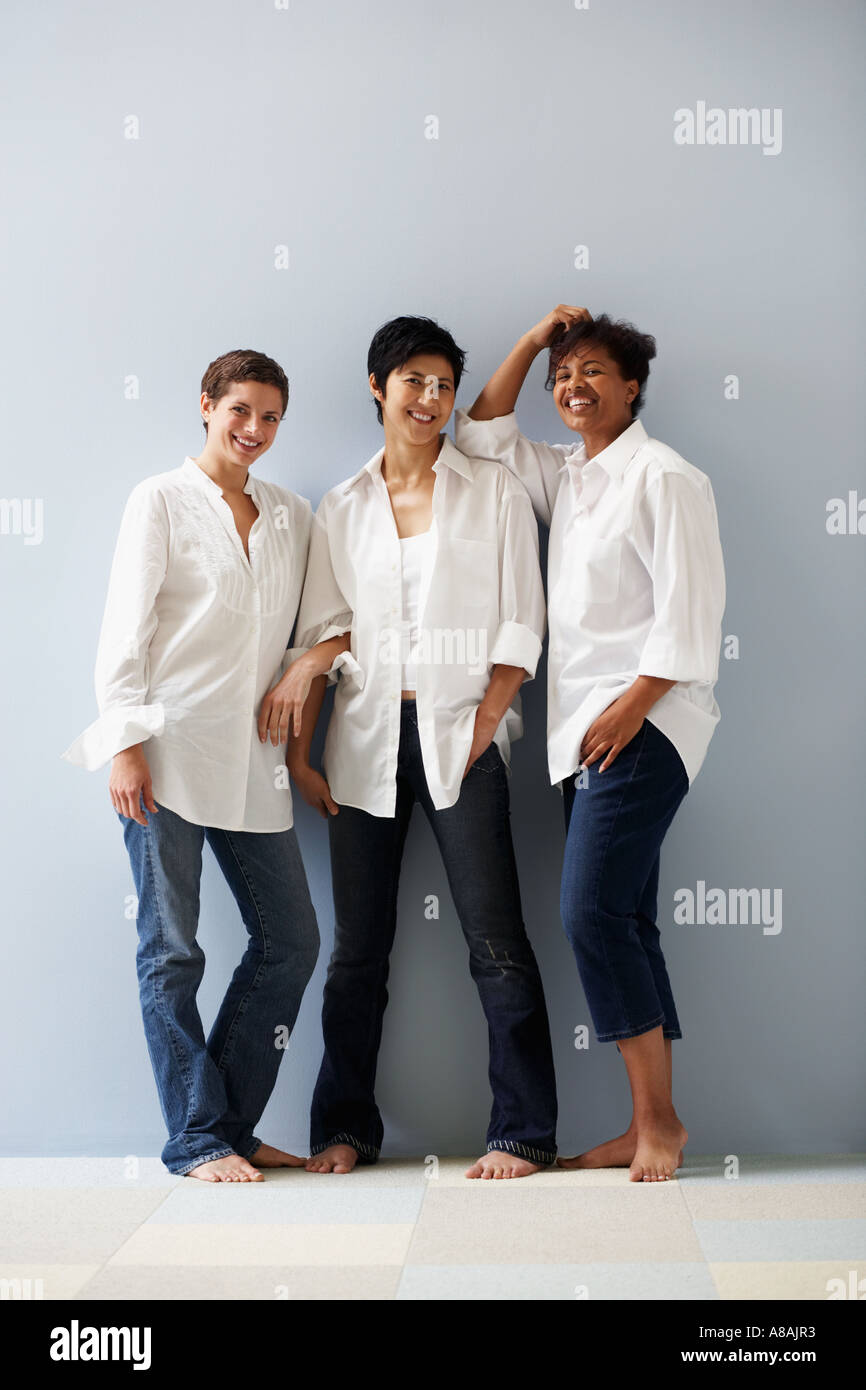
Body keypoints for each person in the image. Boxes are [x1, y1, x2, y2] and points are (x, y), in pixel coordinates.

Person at [262, 316, 558, 1178]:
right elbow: (325, 634)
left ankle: (523, 1132)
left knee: (496, 944)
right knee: (359, 954)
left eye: (443, 385)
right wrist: (303, 756)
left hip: (465, 734)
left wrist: (481, 726)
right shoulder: (342, 506)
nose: (431, 400)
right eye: (414, 383)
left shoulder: (493, 488)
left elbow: (519, 625)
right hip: (363, 741)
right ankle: (344, 1130)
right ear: (378, 388)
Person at [455, 307, 726, 1182]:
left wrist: (632, 706)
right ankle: (649, 1123)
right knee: (626, 921)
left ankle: (661, 1124)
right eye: (562, 379)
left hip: (643, 725)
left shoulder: (666, 477)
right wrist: (536, 340)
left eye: (592, 372)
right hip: (584, 736)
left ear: (634, 384)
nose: (573, 388)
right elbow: (486, 429)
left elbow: (692, 616)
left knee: (589, 914)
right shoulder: (568, 475)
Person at [62, 349, 320, 1182]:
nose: (255, 429)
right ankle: (197, 1138)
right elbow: (124, 631)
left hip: (256, 763)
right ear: (206, 406)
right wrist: (125, 746)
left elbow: (330, 625)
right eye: (241, 410)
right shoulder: (161, 501)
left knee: (291, 941)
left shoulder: (290, 514)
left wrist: (306, 666)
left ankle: (231, 1127)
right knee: (173, 950)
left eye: (272, 416)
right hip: (166, 754)